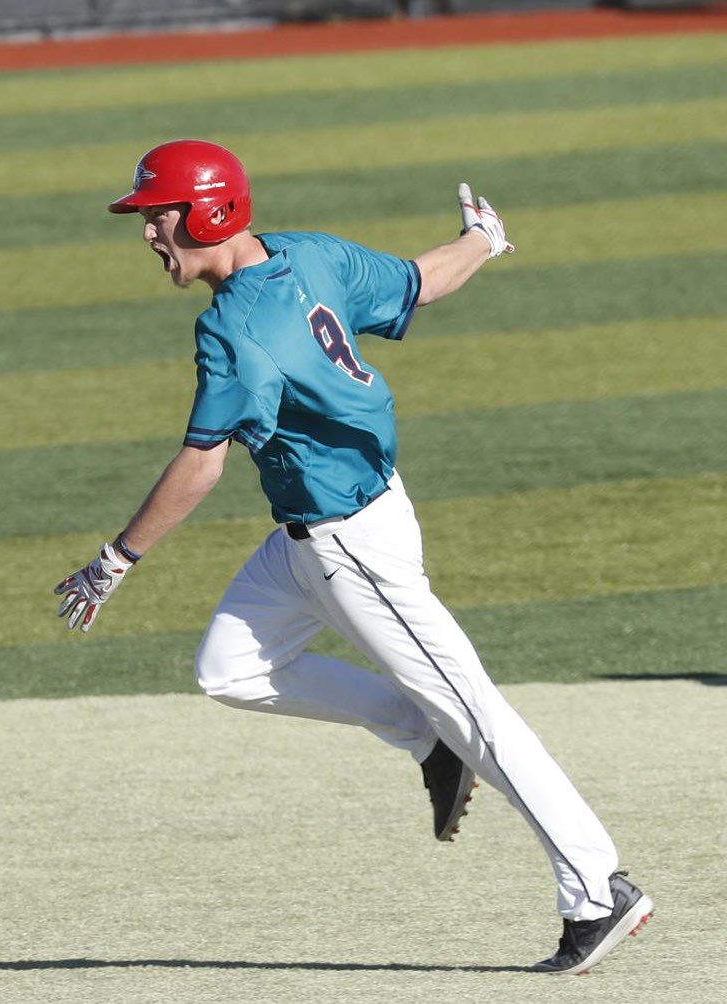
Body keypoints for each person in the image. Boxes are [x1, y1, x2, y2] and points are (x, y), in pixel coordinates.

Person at [52, 139, 653, 975]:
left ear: (207, 212)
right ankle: (425, 739)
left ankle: (597, 891)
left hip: (352, 547)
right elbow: (418, 281)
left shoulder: (232, 329)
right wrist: (484, 239)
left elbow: (203, 462)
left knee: (475, 712)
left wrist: (115, 560)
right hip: (311, 540)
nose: (148, 233)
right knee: (229, 668)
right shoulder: (311, 255)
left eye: (157, 216)